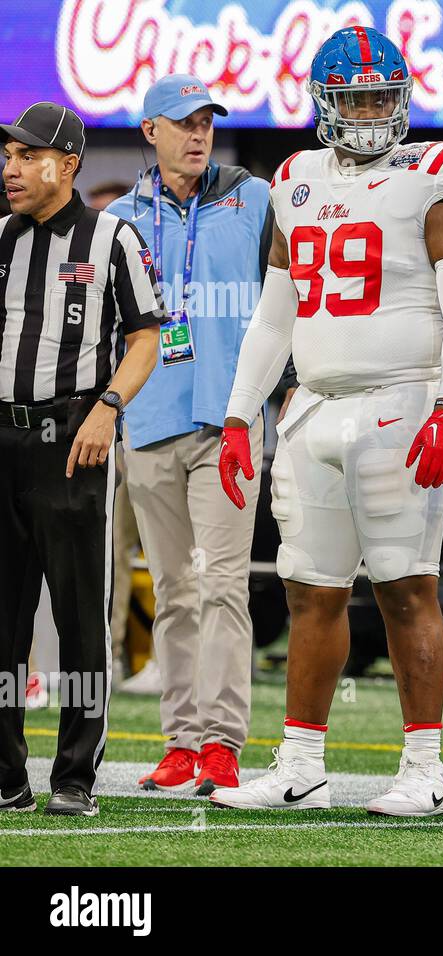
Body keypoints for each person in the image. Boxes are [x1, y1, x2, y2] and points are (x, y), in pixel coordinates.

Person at [206, 26, 443, 817]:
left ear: (403, 100)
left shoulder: (440, 174)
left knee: (406, 588)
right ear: (323, 103)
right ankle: (300, 763)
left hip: (401, 400)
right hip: (315, 404)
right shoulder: (293, 177)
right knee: (310, 592)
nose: (367, 111)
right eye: (353, 96)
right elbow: (274, 312)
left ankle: (424, 768)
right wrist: (237, 415)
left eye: (380, 96)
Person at [105, 75, 274, 795]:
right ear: (151, 131)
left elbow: (290, 300)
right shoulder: (119, 217)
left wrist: (287, 387)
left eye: (206, 121)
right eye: (183, 123)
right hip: (147, 422)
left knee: (223, 586)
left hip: (229, 425)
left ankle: (223, 743)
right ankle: (180, 742)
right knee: (174, 589)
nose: (198, 134)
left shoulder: (255, 199)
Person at [0, 102, 163, 816]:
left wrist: (109, 407)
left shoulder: (111, 237)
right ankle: (8, 777)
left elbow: (147, 338)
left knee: (79, 618)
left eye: (25, 155)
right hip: (1, 441)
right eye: (6, 155)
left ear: (66, 165)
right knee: (2, 619)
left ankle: (74, 776)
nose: (10, 168)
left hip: (73, 444)